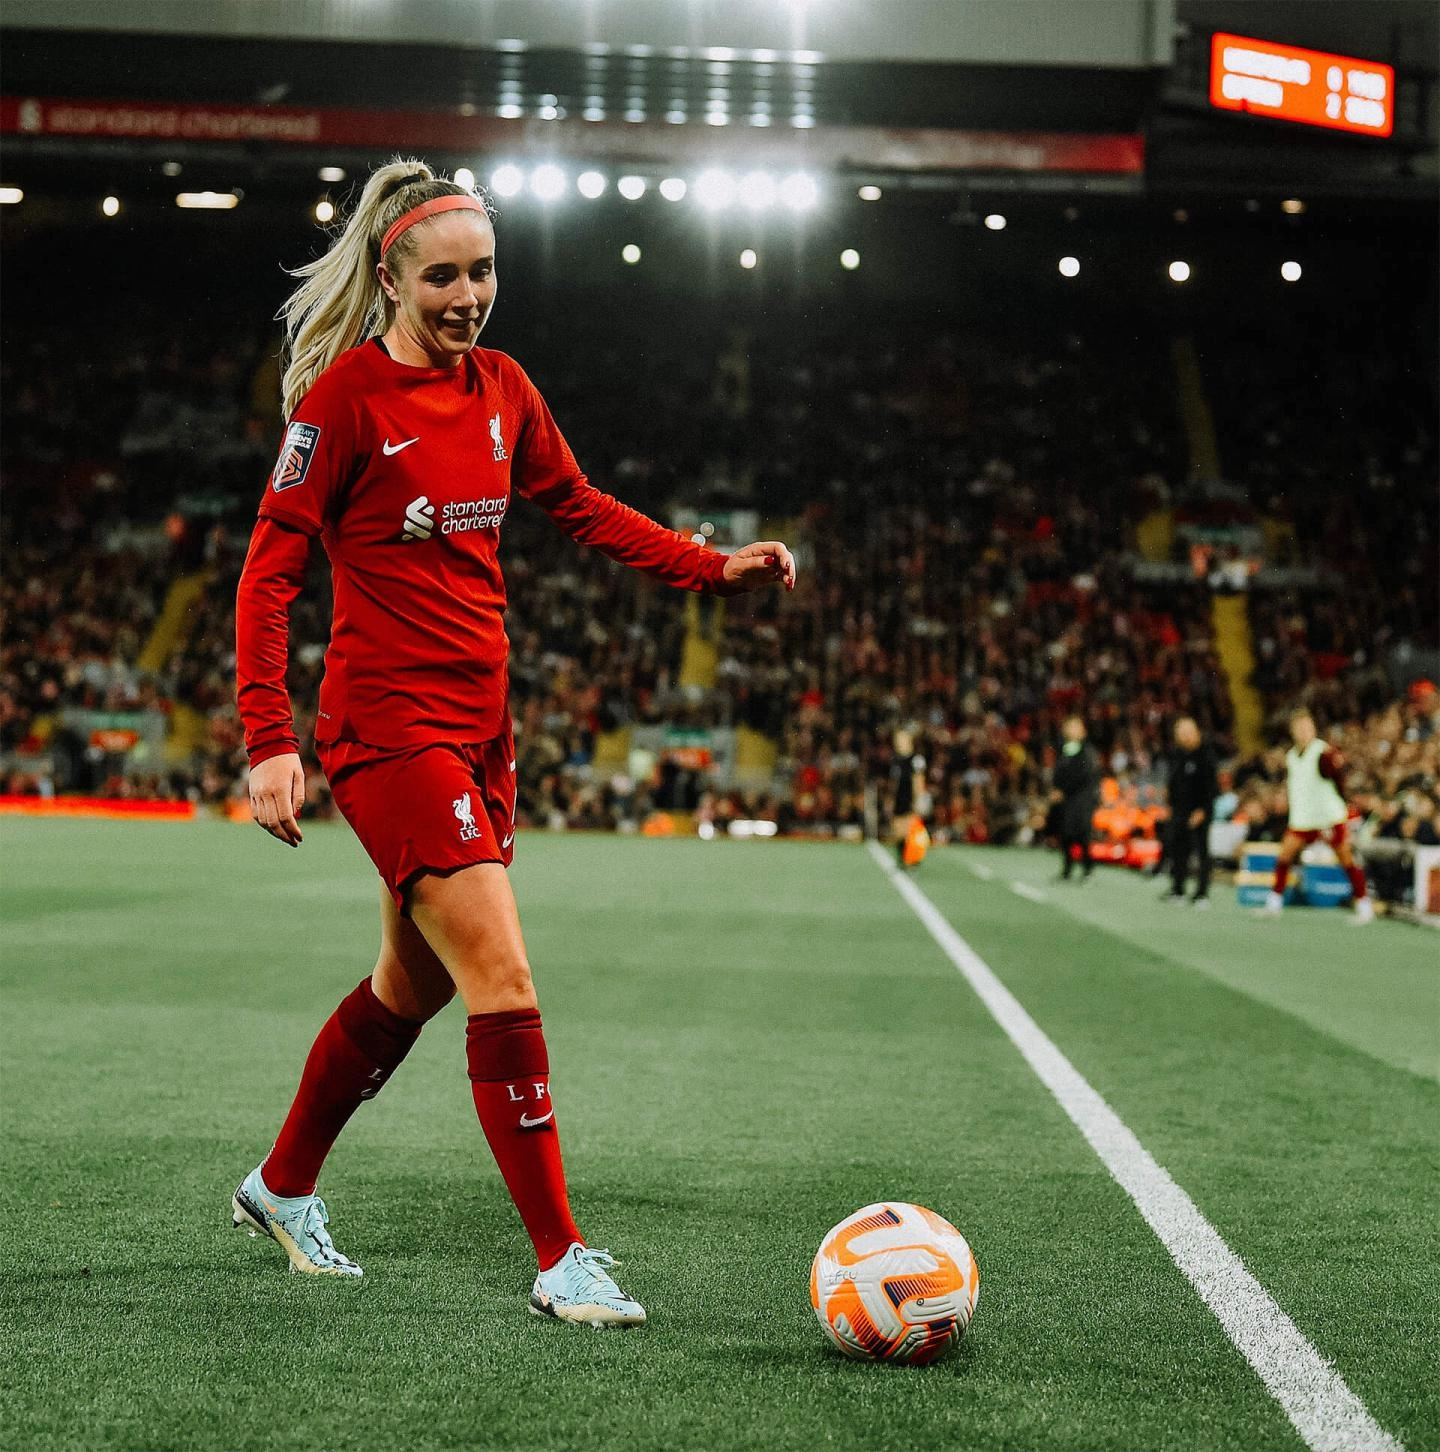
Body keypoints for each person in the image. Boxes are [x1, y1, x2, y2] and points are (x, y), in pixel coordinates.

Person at [231, 160, 797, 1326]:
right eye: (442, 275)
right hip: (388, 732)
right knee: (504, 974)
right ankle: (561, 1259)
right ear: (391, 277)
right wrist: (266, 737)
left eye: (483, 271)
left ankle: (281, 1187)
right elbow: (268, 571)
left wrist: (711, 566)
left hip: (483, 735)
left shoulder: (504, 388)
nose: (467, 295)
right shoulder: (340, 404)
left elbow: (581, 505)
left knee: (412, 984)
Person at [1262, 709, 1373, 924]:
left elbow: (1339, 780)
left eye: (1307, 726)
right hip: (1303, 818)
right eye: (1299, 728)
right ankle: (1274, 902)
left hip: (1327, 818)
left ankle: (1364, 904)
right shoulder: (1292, 756)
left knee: (1346, 860)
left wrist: (1342, 804)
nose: (1304, 731)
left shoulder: (1324, 754)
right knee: (1284, 857)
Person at [1162, 716, 1218, 906]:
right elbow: (1173, 782)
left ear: (1196, 733)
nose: (1184, 737)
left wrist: (1202, 810)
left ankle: (1202, 893)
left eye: (1188, 732)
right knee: (1178, 851)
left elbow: (1211, 787)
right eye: (1180, 733)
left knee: (1202, 852)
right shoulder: (1177, 755)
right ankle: (1178, 889)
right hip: (1179, 811)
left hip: (1200, 812)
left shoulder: (1206, 755)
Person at [1051, 715, 1099, 881]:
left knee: (1083, 834)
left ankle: (1088, 869)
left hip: (1082, 800)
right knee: (1066, 834)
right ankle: (1067, 869)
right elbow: (1059, 771)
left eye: (1074, 727)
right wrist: (1056, 788)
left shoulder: (1087, 750)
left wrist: (1063, 789)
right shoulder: (1066, 748)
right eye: (1068, 726)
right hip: (1067, 801)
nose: (1070, 730)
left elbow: (1083, 774)